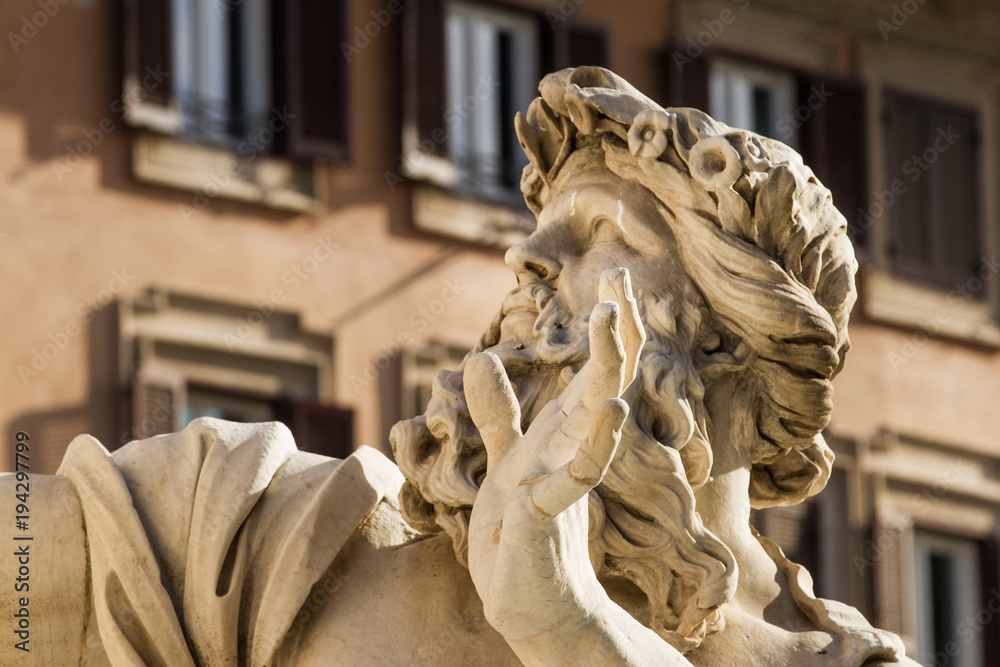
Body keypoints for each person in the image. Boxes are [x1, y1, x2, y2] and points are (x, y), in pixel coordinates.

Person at [1, 67, 919, 666]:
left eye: (600, 234)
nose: (526, 264)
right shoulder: (271, 529)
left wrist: (572, 629)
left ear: (727, 335)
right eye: (534, 235)